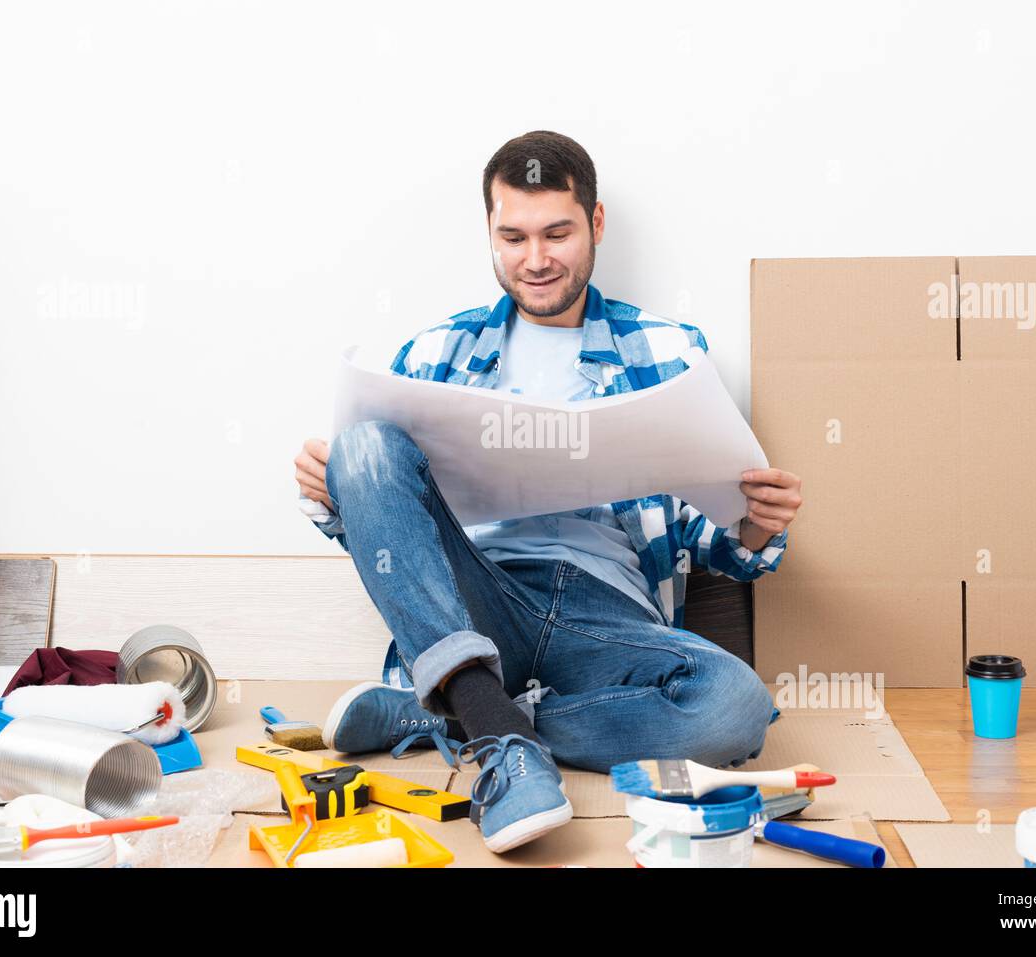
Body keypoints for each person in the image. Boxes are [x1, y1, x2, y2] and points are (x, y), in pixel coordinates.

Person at [294, 131, 803, 853]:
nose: (536, 259)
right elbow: (393, 548)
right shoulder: (433, 354)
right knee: (364, 445)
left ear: (595, 224)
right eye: (514, 236)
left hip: (609, 620)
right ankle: (494, 730)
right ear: (491, 235)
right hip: (479, 603)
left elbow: (710, 534)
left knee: (735, 709)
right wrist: (340, 484)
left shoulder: (668, 350)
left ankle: (453, 716)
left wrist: (755, 525)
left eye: (557, 232)